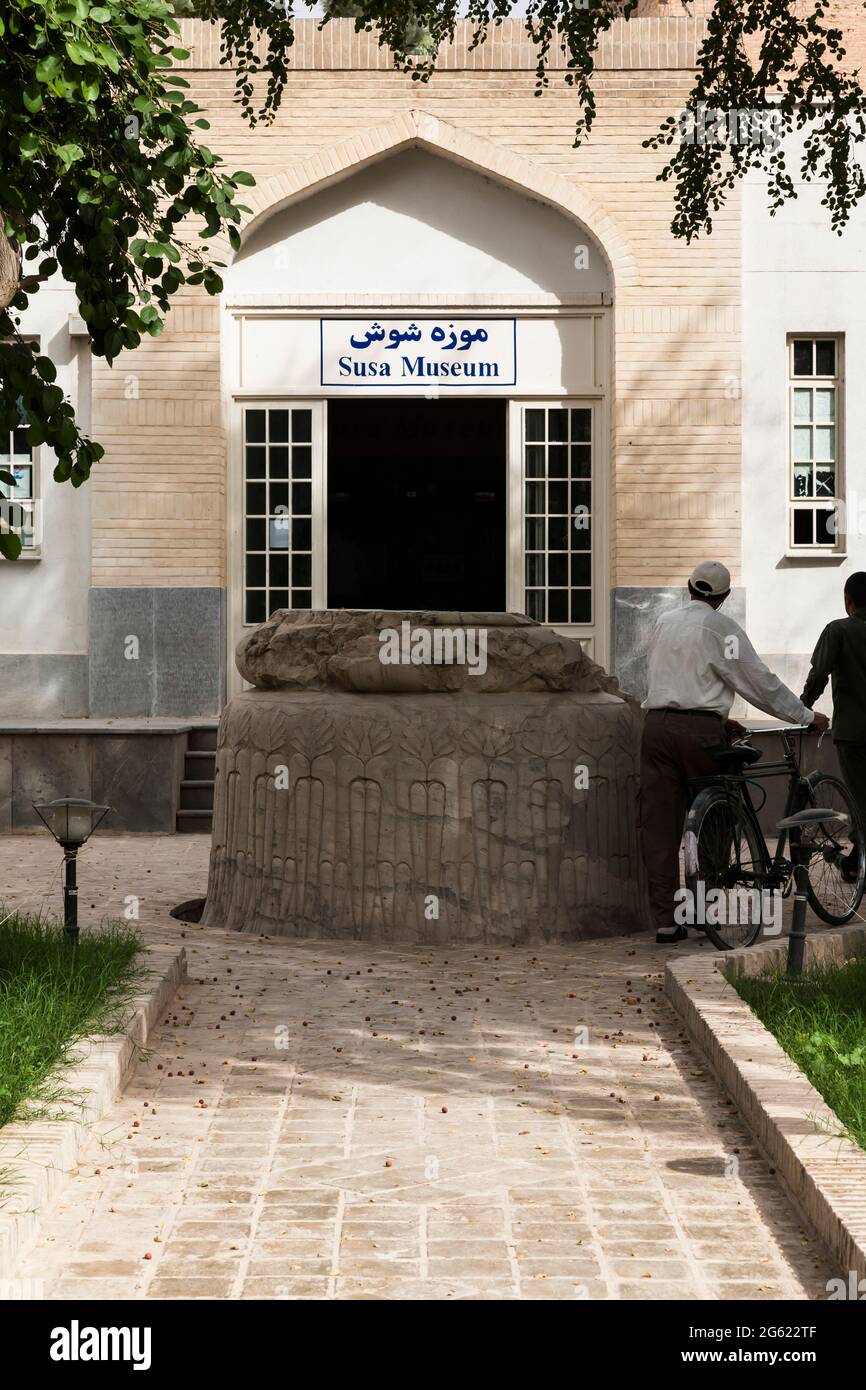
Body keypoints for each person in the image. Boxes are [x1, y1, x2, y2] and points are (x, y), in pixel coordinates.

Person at [641, 560, 829, 944]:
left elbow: (668, 677)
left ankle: (665, 920)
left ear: (689, 588)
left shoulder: (664, 622)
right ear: (724, 597)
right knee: (716, 817)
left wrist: (711, 713)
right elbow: (759, 682)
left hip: (657, 727)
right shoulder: (721, 627)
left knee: (659, 826)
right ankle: (702, 910)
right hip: (700, 734)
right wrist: (805, 715)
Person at [800, 572, 866, 879]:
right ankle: (856, 860)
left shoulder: (838, 630)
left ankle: (857, 862)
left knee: (861, 799)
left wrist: (803, 709)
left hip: (854, 734)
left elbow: (819, 675)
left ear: (848, 601)